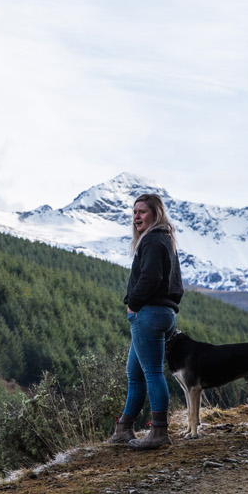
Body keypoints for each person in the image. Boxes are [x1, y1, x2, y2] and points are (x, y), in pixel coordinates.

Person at [108, 192, 183, 449]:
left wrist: (133, 303)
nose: (136, 216)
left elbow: (151, 278)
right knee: (135, 373)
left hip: (149, 314)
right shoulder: (166, 240)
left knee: (151, 373)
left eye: (142, 212)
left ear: (156, 214)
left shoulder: (152, 241)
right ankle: (124, 428)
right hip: (164, 314)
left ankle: (159, 432)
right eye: (134, 212)